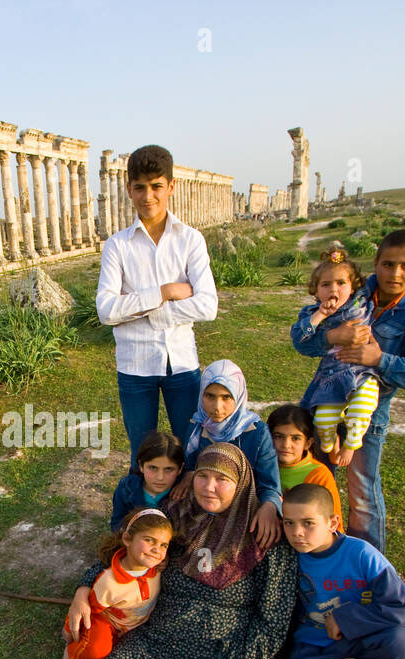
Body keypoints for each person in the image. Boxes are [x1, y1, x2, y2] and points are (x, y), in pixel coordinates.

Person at [0, 443, 297, 659]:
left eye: (222, 479)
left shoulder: (266, 538)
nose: (209, 487)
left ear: (242, 484)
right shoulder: (176, 517)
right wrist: (83, 589)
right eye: (202, 475)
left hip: (228, 649)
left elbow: (273, 623)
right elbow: (125, 558)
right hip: (162, 642)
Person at [290, 229, 405, 554]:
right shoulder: (352, 289)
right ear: (375, 264)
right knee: (314, 481)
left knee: (362, 492)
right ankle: (313, 556)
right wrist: (333, 336)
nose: (396, 273)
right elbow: (304, 341)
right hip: (323, 405)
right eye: (388, 264)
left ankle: (367, 567)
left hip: (367, 418)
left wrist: (381, 359)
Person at [95, 144, 217, 469]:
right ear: (129, 190)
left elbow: (207, 305)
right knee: (143, 454)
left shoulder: (191, 240)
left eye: (156, 186)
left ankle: (190, 516)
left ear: (171, 187)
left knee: (191, 447)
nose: (148, 196)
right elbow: (106, 310)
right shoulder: (117, 246)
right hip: (134, 365)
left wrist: (144, 311)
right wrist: (164, 292)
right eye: (140, 187)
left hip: (181, 361)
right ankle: (144, 517)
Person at [278, 482, 405, 659]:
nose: (297, 532)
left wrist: (345, 619)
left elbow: (402, 610)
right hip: (314, 642)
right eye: (289, 523)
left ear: (332, 522)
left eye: (308, 523)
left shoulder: (362, 555)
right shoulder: (288, 556)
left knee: (403, 643)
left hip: (362, 636)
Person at [173, 359, 282, 547]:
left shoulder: (256, 433)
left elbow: (270, 485)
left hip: (245, 510)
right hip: (206, 502)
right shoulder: (197, 425)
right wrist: (189, 473)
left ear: (239, 396)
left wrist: (270, 507)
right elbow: (190, 464)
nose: (217, 406)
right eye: (210, 396)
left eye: (226, 397)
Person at [60, 507, 172, 659]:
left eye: (163, 545)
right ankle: (71, 656)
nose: (156, 550)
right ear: (127, 539)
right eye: (149, 540)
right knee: (97, 650)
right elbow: (89, 608)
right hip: (108, 621)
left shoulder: (156, 567)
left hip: (135, 623)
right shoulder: (109, 582)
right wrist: (69, 629)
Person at [298, 250, 380, 468]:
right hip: (332, 377)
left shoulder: (361, 300)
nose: (334, 289)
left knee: (361, 409)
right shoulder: (313, 313)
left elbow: (381, 279)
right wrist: (320, 316)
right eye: (325, 285)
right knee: (323, 421)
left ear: (353, 287)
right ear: (316, 290)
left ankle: (351, 444)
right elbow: (299, 337)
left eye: (341, 283)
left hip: (363, 372)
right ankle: (330, 444)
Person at [267, 403, 342, 527]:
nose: (286, 445)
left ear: (308, 443)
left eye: (295, 438)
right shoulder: (260, 465)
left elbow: (334, 527)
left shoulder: (319, 475)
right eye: (278, 436)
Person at [109, 430, 184, 531]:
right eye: (153, 468)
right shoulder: (126, 488)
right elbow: (117, 524)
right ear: (141, 465)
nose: (160, 477)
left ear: (180, 469)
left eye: (169, 469)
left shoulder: (183, 495)